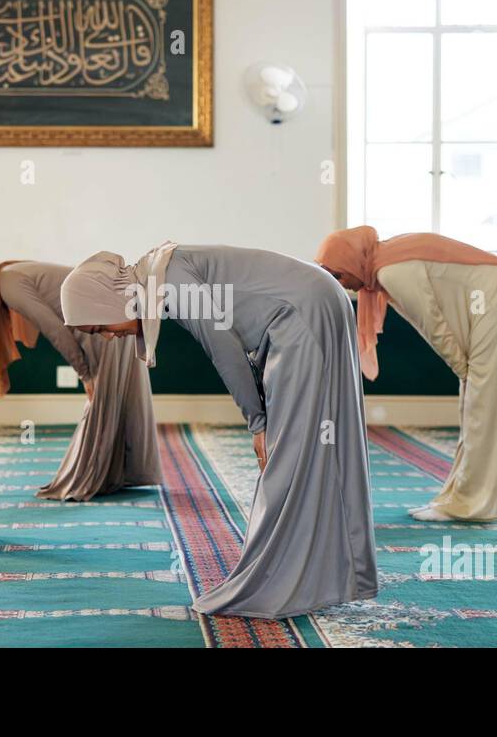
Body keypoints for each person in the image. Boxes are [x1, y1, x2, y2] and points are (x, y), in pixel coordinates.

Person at [60, 243, 378, 619]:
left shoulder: (170, 282)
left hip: (303, 312)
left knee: (289, 453)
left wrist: (257, 423)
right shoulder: (159, 272)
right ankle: (334, 574)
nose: (109, 337)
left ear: (107, 300)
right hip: (313, 303)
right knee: (315, 445)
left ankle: (282, 580)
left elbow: (224, 348)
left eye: (100, 327)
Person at [316, 227, 497, 522]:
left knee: (483, 404)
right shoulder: (386, 260)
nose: (342, 285)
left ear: (351, 261)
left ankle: (472, 504)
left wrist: (463, 368)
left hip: (494, 299)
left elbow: (433, 326)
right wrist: (466, 371)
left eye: (339, 275)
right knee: (479, 402)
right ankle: (464, 495)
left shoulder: (392, 271)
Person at [0, 254, 159, 501]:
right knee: (114, 400)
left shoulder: (8, 284)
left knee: (102, 402)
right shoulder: (9, 273)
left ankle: (93, 479)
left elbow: (55, 330)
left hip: (102, 327)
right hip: (112, 315)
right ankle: (118, 476)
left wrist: (85, 375)